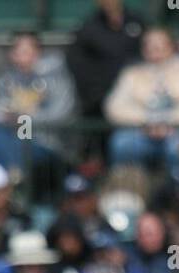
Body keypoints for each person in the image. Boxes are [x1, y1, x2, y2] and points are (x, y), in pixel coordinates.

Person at [105, 26, 179, 180]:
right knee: (121, 144)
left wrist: (169, 121)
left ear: (171, 46)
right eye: (149, 45)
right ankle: (129, 191)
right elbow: (115, 106)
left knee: (177, 149)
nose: (155, 49)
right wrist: (148, 120)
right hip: (142, 131)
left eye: (160, 44)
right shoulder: (132, 73)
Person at [0, 32, 76, 192]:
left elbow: (62, 114)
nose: (21, 58)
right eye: (17, 52)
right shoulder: (2, 79)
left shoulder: (55, 78)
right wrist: (3, 116)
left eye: (27, 52)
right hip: (7, 140)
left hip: (44, 142)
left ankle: (14, 186)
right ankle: (15, 180)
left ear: (38, 52)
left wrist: (26, 119)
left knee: (21, 136)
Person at [66, 0, 145, 159]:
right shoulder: (88, 28)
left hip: (139, 102)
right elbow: (78, 65)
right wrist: (100, 95)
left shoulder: (138, 22)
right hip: (100, 106)